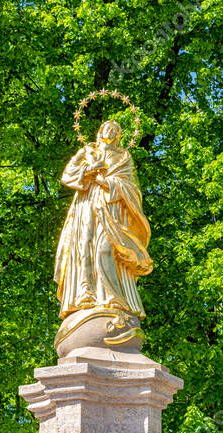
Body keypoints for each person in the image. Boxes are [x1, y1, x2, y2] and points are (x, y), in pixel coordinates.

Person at [54, 120, 153, 321]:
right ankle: (84, 294)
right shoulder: (87, 151)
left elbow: (132, 189)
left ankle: (112, 297)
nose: (111, 130)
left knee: (106, 249)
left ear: (118, 136)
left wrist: (106, 182)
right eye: (107, 127)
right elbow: (67, 175)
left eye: (115, 129)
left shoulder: (123, 157)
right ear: (100, 131)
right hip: (86, 204)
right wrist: (89, 170)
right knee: (84, 247)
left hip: (110, 208)